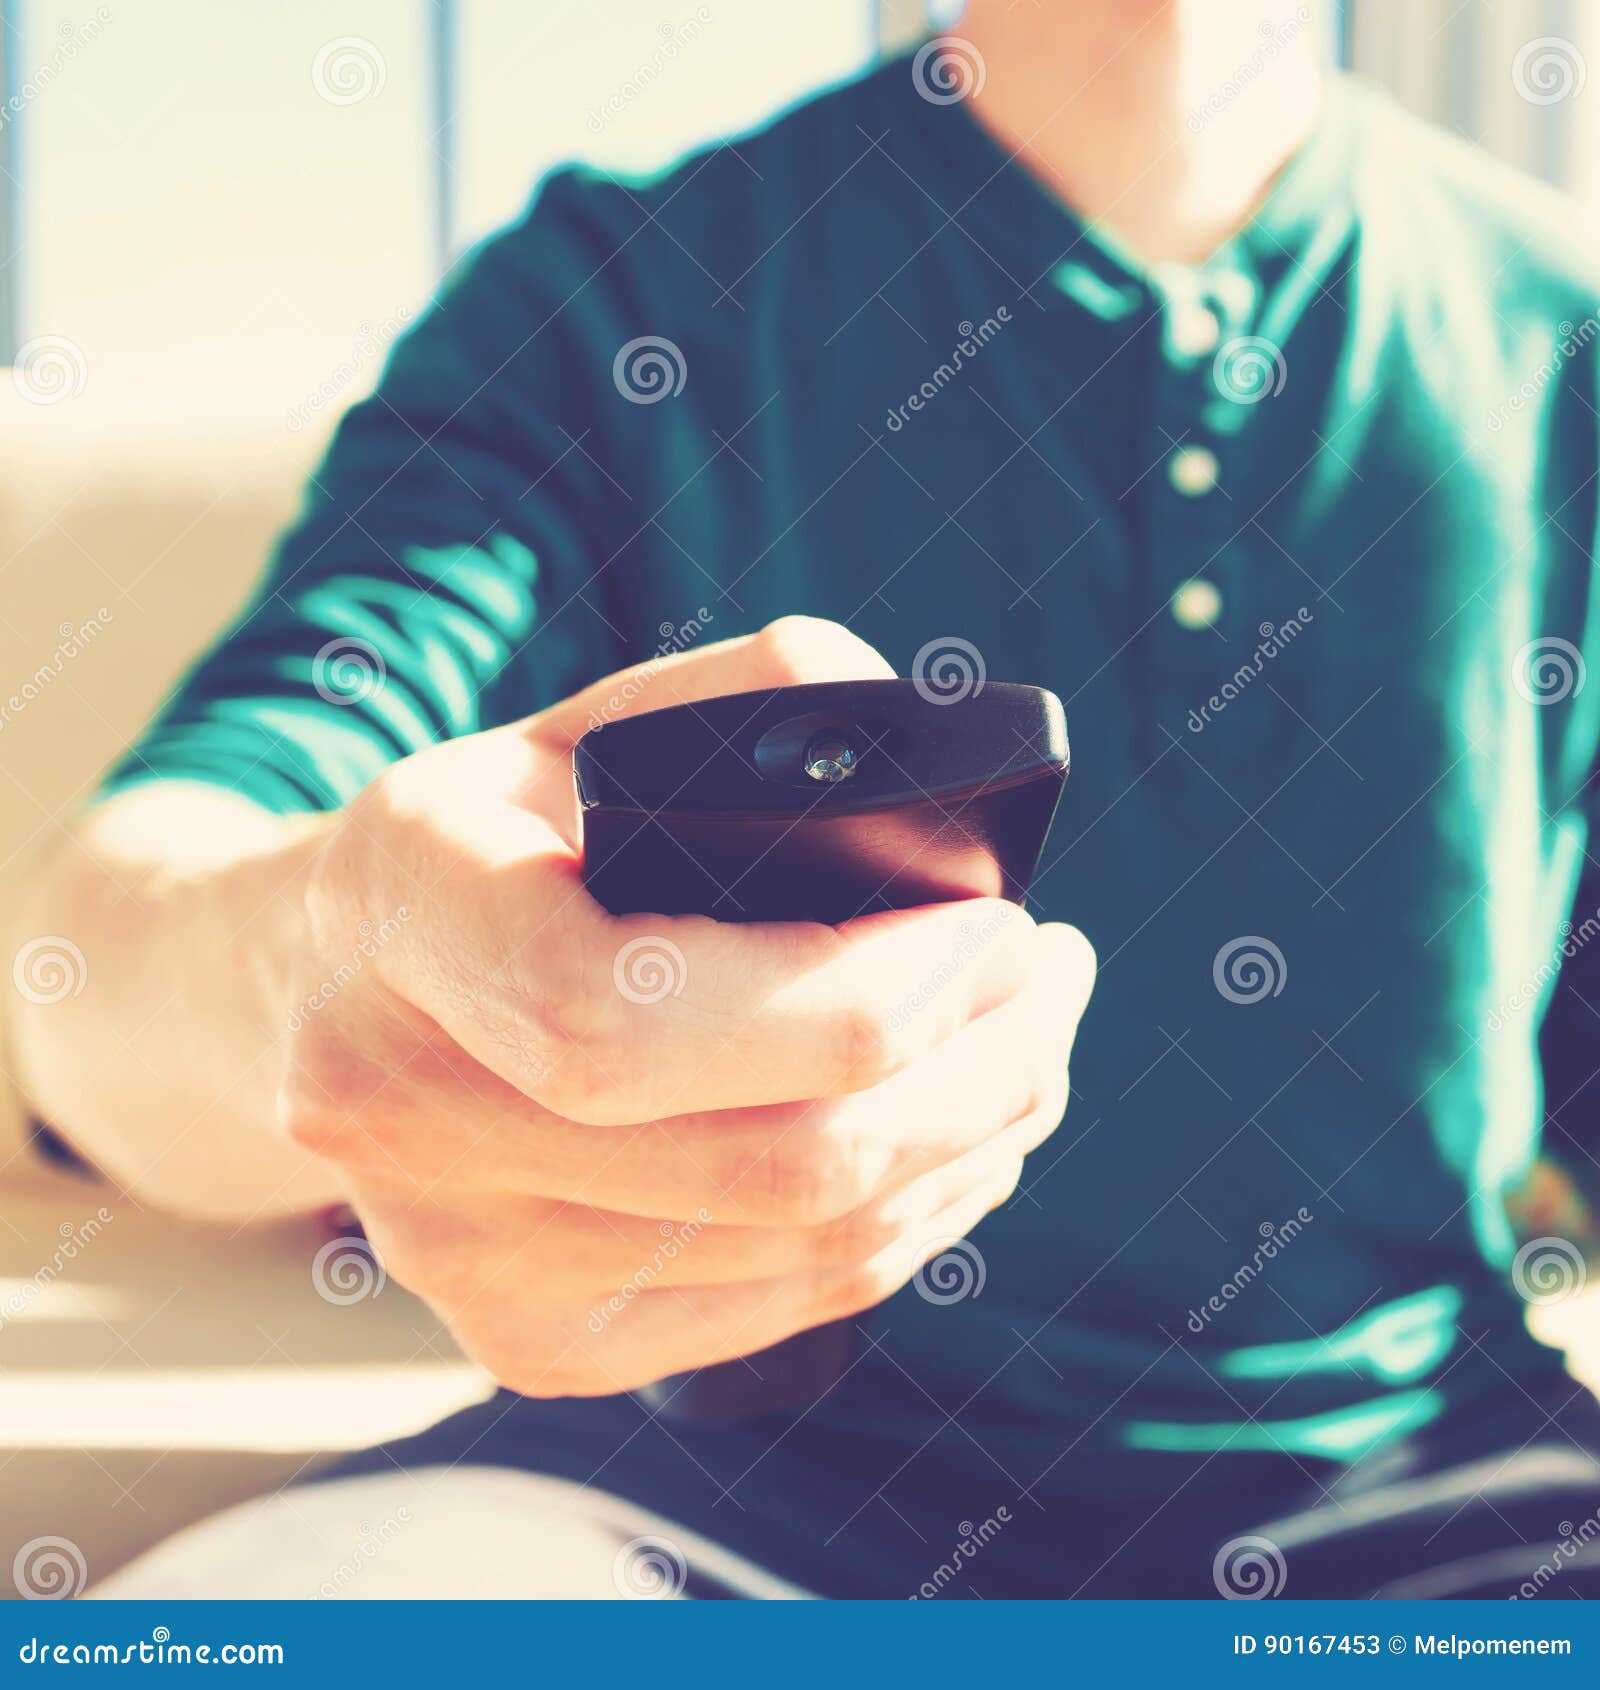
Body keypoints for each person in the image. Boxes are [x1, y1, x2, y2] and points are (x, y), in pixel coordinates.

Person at [16, 0, 1600, 1599]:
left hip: (1446, 1507)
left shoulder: (1568, 338)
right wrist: (333, 971)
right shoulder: (616, 303)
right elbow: (105, 955)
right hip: (696, 1497)